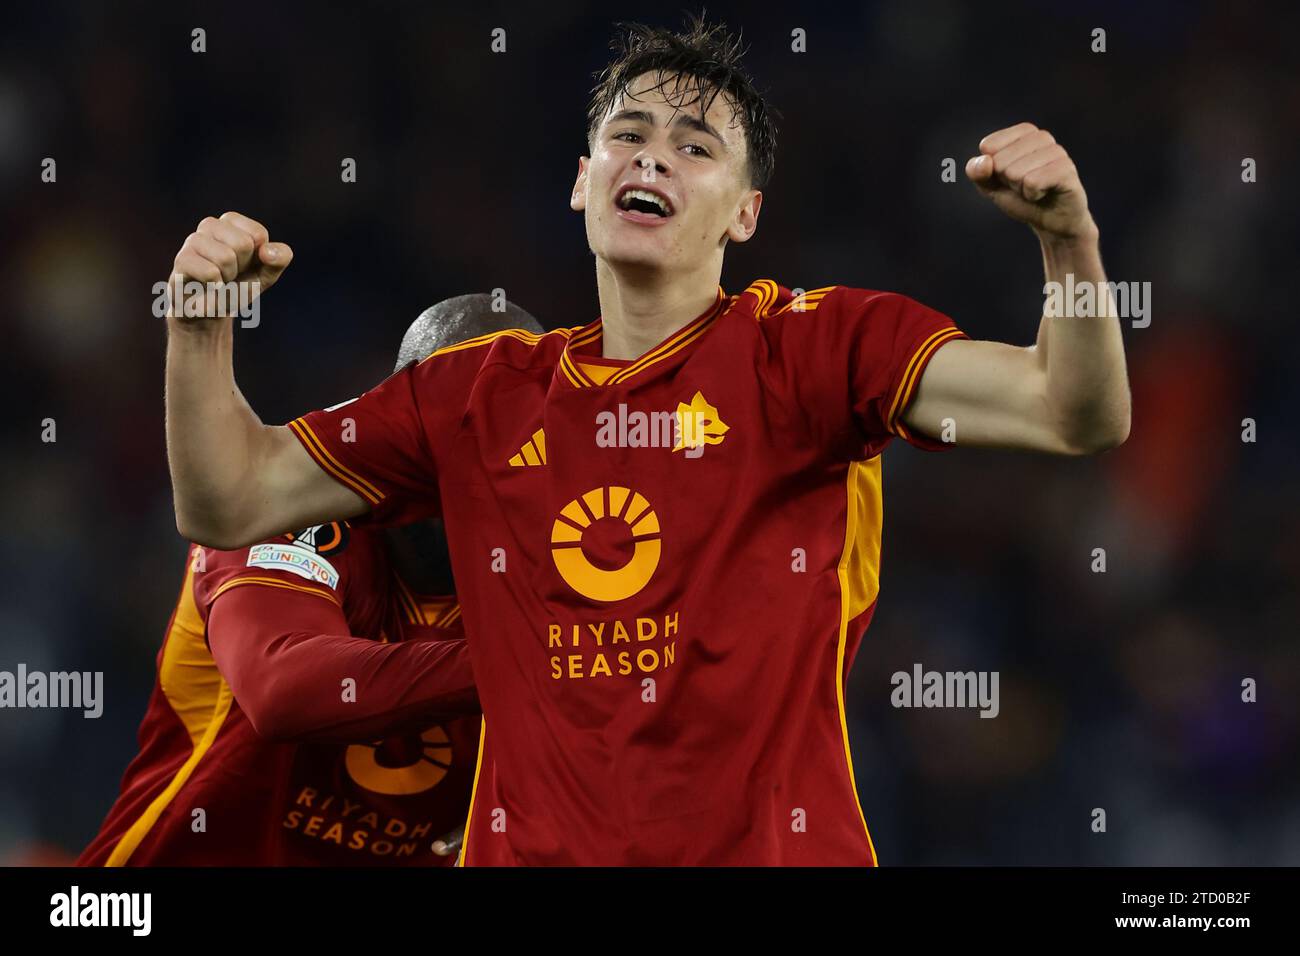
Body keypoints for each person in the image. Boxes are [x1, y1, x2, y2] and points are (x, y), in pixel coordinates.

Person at [160, 17, 1130, 865]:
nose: (651, 156)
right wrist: (199, 327)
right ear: (582, 183)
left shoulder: (814, 349)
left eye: (695, 144)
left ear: (745, 213)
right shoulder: (475, 396)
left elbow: (1068, 409)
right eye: (626, 134)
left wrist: (1069, 245)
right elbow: (229, 499)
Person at [81, 296, 540, 866]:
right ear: (400, 415)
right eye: (450, 424)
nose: (472, 460)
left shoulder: (561, 567)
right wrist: (531, 662)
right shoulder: (285, 502)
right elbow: (281, 686)